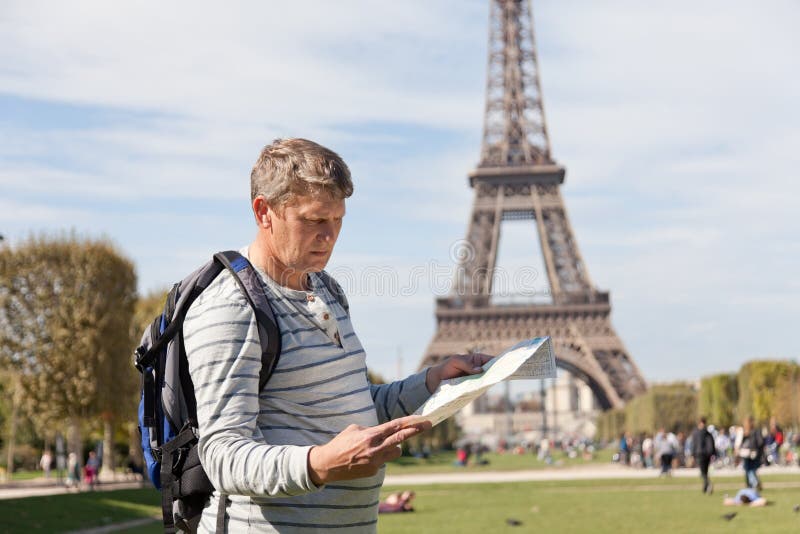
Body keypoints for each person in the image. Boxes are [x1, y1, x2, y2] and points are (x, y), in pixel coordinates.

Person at [183, 138, 492, 533]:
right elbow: (223, 456)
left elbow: (355, 409)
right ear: (264, 212)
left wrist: (432, 382)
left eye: (338, 220)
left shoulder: (326, 289)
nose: (330, 236)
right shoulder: (230, 306)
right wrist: (320, 464)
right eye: (314, 221)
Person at [738, 416, 765, 490]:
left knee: (749, 469)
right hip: (750, 452)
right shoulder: (751, 431)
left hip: (749, 452)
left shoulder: (751, 431)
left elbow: (760, 442)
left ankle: (754, 483)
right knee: (750, 469)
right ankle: (752, 483)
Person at [691, 417, 716, 494]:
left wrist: (693, 455)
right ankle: (705, 488)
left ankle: (708, 484)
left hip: (700, 454)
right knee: (704, 472)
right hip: (706, 454)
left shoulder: (696, 433)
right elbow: (712, 444)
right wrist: (713, 453)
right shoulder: (708, 433)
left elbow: (694, 445)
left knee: (703, 472)